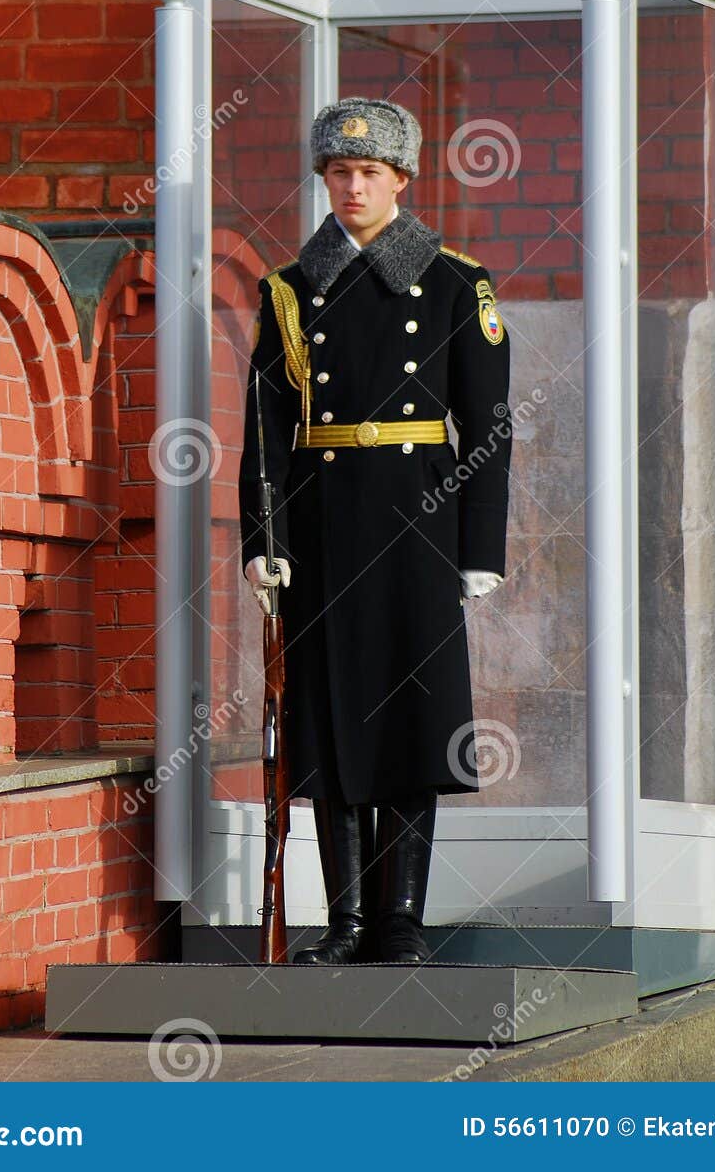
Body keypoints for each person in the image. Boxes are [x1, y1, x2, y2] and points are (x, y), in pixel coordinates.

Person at [237, 96, 512, 966]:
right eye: (337, 173)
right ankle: (346, 919)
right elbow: (263, 430)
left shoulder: (455, 283)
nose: (351, 187)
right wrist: (264, 538)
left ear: (401, 179)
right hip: (323, 528)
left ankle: (400, 920)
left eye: (368, 173)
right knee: (329, 717)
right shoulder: (289, 289)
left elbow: (489, 423)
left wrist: (478, 549)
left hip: (419, 520)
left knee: (409, 715)